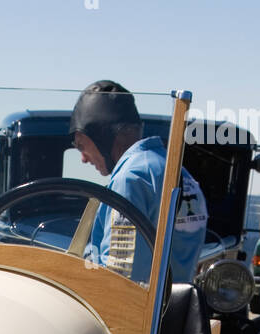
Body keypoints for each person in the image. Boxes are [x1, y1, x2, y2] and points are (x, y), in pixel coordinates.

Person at [69, 80, 208, 284]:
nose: (83, 158)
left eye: (81, 144)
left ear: (102, 134)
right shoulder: (179, 173)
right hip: (176, 310)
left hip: (138, 312)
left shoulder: (131, 179)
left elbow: (121, 277)